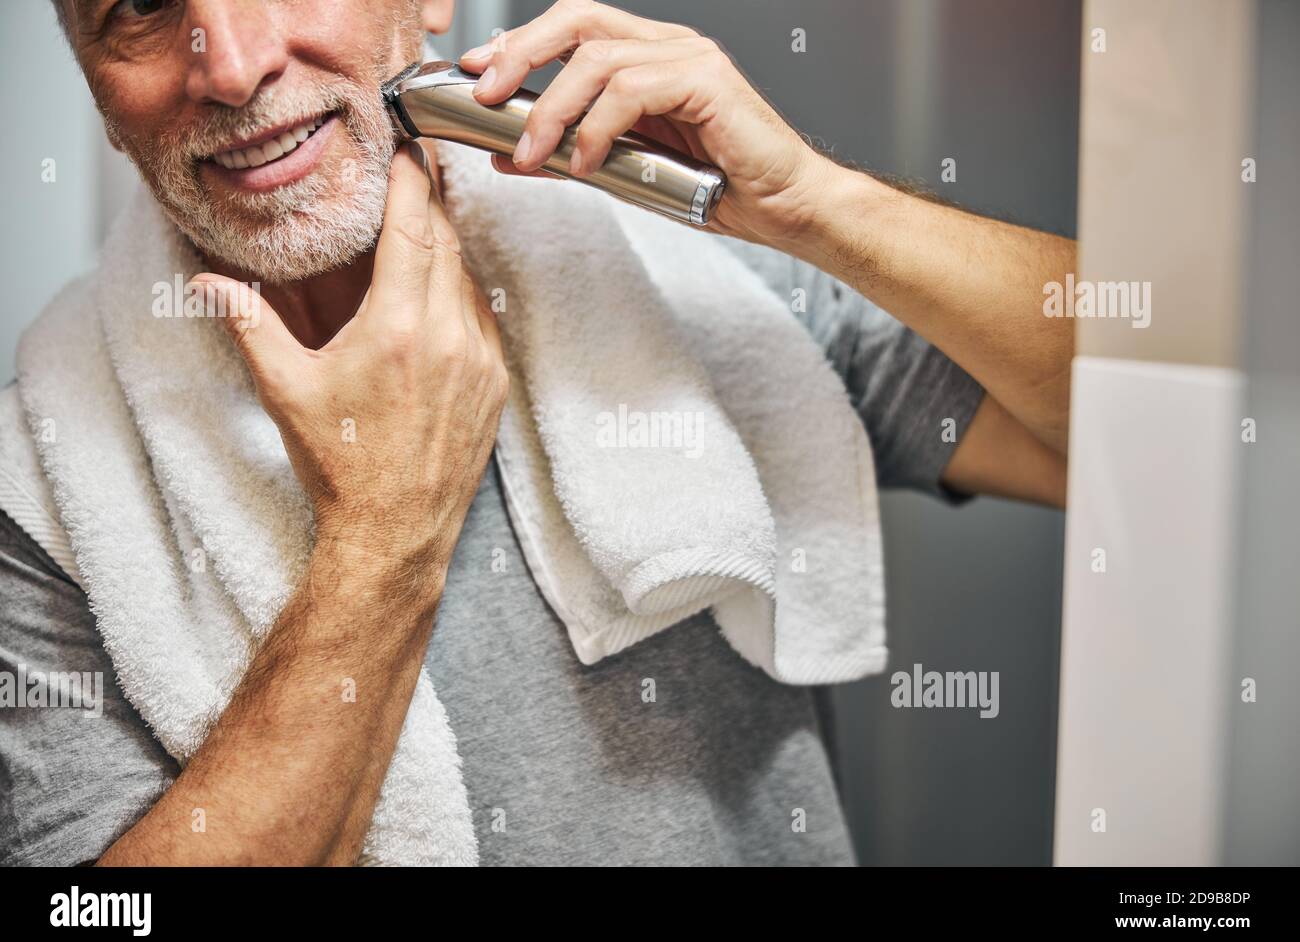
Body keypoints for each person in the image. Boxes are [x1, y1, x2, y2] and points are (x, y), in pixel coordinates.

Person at [0, 0, 1070, 865]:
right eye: (139, 6)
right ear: (98, 90)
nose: (231, 65)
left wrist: (814, 204)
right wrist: (386, 531)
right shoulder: (43, 479)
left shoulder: (670, 266)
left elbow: (1158, 447)